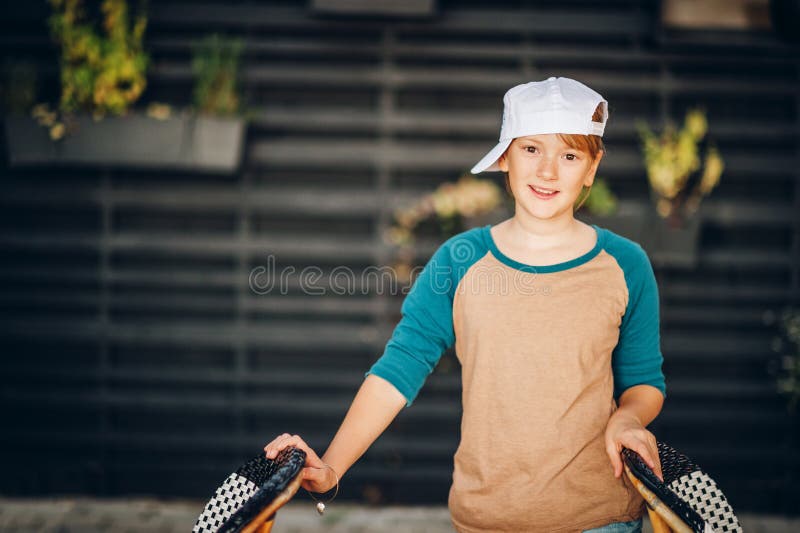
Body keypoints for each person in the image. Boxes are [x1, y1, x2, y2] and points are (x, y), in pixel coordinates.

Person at [263, 76, 667, 533]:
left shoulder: (626, 265)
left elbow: (644, 382)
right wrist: (331, 468)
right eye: (532, 150)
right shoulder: (460, 259)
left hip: (602, 518)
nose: (548, 171)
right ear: (505, 157)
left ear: (591, 168)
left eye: (570, 155)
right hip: (484, 520)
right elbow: (400, 368)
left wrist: (628, 419)